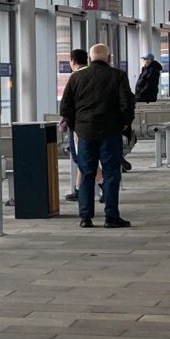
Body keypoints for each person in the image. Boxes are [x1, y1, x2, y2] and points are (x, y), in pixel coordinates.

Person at [59, 42, 135, 228]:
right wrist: (124, 124)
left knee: (86, 173)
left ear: (90, 58)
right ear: (109, 58)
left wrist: (77, 126)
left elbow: (66, 107)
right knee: (111, 174)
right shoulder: (117, 76)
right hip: (110, 132)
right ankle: (111, 216)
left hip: (85, 132)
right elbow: (127, 104)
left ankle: (85, 217)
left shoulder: (77, 78)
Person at [59, 48, 89, 202]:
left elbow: (66, 106)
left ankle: (102, 184)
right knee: (83, 159)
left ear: (73, 61)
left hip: (79, 126)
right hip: (96, 125)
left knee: (82, 159)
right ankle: (78, 189)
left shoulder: (75, 78)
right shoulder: (93, 75)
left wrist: (69, 123)